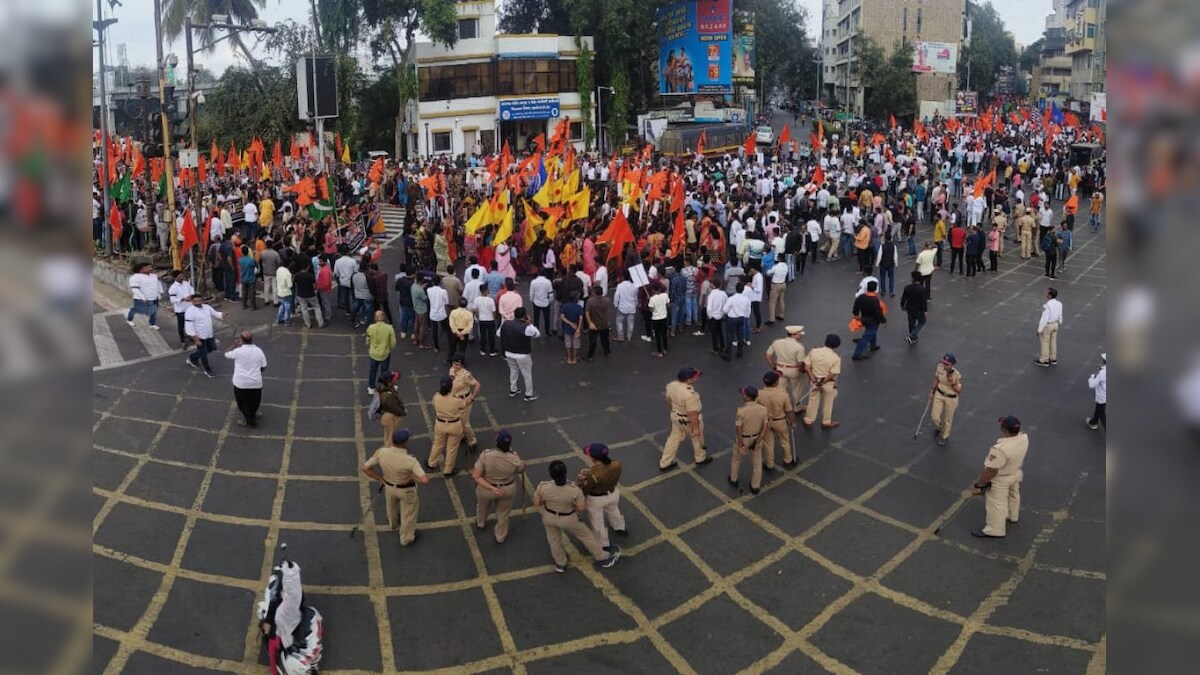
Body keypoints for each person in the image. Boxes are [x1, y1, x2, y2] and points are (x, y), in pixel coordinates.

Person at [533, 460, 621, 573]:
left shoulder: (542, 486)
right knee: (586, 536)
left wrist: (544, 512)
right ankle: (602, 557)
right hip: (568, 518)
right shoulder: (574, 489)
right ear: (565, 473)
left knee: (554, 540)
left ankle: (560, 563)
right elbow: (581, 507)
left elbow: (537, 503)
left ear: (551, 474)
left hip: (549, 516)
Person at [361, 429, 430, 547]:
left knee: (391, 506)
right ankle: (406, 538)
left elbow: (365, 468)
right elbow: (424, 479)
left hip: (388, 486)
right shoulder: (410, 460)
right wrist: (412, 477)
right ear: (405, 443)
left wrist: (379, 479)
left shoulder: (382, 452)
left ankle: (392, 524)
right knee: (408, 514)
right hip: (406, 489)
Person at [970, 416, 1029, 539]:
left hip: (1002, 478)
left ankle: (995, 530)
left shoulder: (1000, 449)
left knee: (997, 503)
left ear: (1003, 429)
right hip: (1016, 472)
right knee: (1014, 494)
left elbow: (991, 470)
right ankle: (1013, 515)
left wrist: (979, 485)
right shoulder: (1024, 438)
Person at [472, 429, 526, 543]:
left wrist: (492, 488)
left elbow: (476, 476)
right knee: (504, 513)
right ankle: (500, 536)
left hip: (487, 488)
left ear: (496, 442)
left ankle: (480, 523)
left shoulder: (486, 455)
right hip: (507, 488)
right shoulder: (514, 457)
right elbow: (520, 470)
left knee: (482, 507)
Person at [659, 367, 713, 470]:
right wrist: (696, 429)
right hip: (688, 420)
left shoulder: (672, 385)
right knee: (697, 438)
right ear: (689, 379)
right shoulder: (689, 395)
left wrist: (676, 409)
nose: (696, 378)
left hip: (676, 416)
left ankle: (665, 462)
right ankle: (700, 458)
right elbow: (692, 414)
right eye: (695, 376)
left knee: (673, 438)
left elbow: (668, 399)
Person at [576, 443, 627, 552]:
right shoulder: (617, 464)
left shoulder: (592, 475)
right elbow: (605, 469)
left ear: (593, 459)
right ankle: (620, 528)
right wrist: (590, 471)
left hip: (596, 500)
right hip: (613, 494)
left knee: (597, 522)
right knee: (614, 512)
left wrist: (581, 479)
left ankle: (603, 544)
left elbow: (586, 488)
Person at [729, 385, 769, 494]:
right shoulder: (763, 409)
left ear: (747, 397)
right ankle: (755, 486)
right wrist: (758, 441)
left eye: (744, 394)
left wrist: (741, 444)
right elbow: (765, 427)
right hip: (756, 437)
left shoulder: (741, 411)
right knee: (757, 463)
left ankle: (734, 479)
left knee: (736, 459)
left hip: (744, 438)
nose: (742, 395)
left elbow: (739, 429)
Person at [224, 331, 267, 428]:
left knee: (243, 403)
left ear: (241, 340)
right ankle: (253, 414)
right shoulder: (259, 351)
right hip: (255, 382)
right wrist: (256, 373)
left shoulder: (238, 352)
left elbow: (226, 354)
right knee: (255, 401)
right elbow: (264, 366)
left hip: (240, 383)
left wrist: (234, 345)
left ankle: (249, 421)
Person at [428, 375, 467, 477]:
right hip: (454, 425)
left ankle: (432, 463)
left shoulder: (436, 397)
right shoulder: (456, 400)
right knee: (452, 448)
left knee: (437, 444)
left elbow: (434, 405)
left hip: (440, 424)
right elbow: (463, 406)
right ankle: (448, 469)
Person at [802, 333, 842, 429]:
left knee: (813, 400)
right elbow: (833, 373)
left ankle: (809, 419)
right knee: (829, 401)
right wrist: (822, 382)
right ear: (836, 346)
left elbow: (807, 367)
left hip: (814, 380)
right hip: (828, 383)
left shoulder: (814, 351)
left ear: (825, 342)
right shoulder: (836, 358)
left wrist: (813, 379)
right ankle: (826, 421)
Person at [500, 307, 540, 401]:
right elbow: (537, 334)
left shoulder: (506, 324)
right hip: (522, 354)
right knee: (527, 374)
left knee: (513, 371)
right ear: (525, 316)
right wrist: (530, 323)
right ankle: (528, 394)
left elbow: (499, 334)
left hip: (509, 352)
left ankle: (513, 389)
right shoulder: (526, 327)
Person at [758, 371, 796, 469]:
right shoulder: (783, 394)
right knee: (784, 441)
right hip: (780, 420)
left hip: (766, 421)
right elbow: (789, 411)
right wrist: (792, 422)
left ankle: (769, 464)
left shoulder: (759, 394)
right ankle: (788, 460)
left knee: (768, 443)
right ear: (776, 383)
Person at [765, 325, 807, 409]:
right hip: (793, 370)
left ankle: (779, 406)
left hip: (780, 369)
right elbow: (800, 363)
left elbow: (768, 356)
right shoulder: (799, 347)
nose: (800, 336)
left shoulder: (777, 342)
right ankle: (797, 407)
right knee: (796, 390)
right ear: (794, 335)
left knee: (780, 389)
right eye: (799, 334)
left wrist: (774, 367)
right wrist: (804, 371)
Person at [184, 294, 223, 377]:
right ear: (192, 302)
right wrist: (196, 339)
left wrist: (222, 315)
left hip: (209, 334)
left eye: (199, 301)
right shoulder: (190, 311)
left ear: (202, 300)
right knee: (203, 354)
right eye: (195, 301)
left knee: (211, 348)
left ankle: (192, 357)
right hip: (199, 336)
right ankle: (207, 370)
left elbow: (215, 313)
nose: (198, 303)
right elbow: (189, 327)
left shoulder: (207, 307)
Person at [448, 355, 481, 452]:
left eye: (458, 364)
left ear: (462, 364)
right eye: (454, 363)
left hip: (464, 400)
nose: (456, 366)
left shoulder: (466, 375)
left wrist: (472, 398)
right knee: (457, 419)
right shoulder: (451, 370)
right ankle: (462, 435)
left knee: (464, 422)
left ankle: (472, 441)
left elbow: (477, 385)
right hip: (454, 399)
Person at [929, 353, 963, 446]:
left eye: (947, 364)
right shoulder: (940, 367)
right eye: (944, 363)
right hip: (939, 394)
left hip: (951, 398)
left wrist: (952, 383)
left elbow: (959, 390)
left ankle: (944, 436)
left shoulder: (957, 375)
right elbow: (936, 379)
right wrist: (932, 391)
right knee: (935, 416)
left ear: (952, 364)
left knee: (948, 419)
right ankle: (940, 427)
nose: (944, 365)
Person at [850, 281, 887, 361]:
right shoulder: (875, 300)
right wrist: (883, 320)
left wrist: (856, 314)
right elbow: (878, 312)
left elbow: (856, 307)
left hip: (864, 318)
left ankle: (873, 345)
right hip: (873, 320)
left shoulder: (861, 297)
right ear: (875, 289)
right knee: (867, 336)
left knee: (872, 332)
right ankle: (857, 354)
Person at [365, 310, 396, 395]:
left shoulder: (371, 327)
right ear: (384, 317)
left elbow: (367, 340)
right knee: (384, 371)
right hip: (384, 353)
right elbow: (393, 344)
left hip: (373, 353)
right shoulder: (389, 328)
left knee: (372, 370)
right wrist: (389, 348)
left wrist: (370, 346)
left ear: (375, 318)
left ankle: (371, 387)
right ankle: (384, 387)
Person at [126, 262, 161, 329]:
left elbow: (157, 285)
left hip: (154, 297)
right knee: (136, 309)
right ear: (140, 269)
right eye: (147, 267)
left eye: (150, 267)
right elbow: (135, 289)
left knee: (154, 310)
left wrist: (159, 294)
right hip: (141, 298)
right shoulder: (135, 277)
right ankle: (129, 320)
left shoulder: (154, 276)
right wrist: (143, 297)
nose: (150, 268)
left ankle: (152, 324)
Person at [376, 371, 407, 446]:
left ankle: (388, 447)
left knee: (387, 433)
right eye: (394, 379)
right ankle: (388, 450)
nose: (396, 380)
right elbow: (395, 409)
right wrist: (403, 412)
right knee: (391, 435)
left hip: (386, 415)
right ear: (389, 382)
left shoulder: (384, 387)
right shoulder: (388, 396)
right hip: (391, 417)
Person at [1034, 287, 1063, 367]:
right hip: (1056, 324)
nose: (1046, 294)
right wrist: (1060, 323)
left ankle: (1044, 360)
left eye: (1047, 293)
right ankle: (1053, 358)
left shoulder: (1047, 305)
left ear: (1050, 295)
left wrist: (1039, 330)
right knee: (1053, 342)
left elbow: (1044, 318)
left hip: (1048, 325)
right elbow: (1060, 315)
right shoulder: (1059, 304)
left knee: (1045, 342)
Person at [723, 282, 752, 361]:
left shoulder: (731, 299)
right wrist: (745, 316)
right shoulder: (746, 299)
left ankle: (728, 354)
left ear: (736, 289)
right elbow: (748, 310)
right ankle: (740, 351)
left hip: (732, 318)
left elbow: (725, 310)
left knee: (730, 336)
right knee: (740, 335)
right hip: (741, 318)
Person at [900, 271, 929, 344]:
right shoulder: (922, 289)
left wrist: (902, 305)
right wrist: (925, 310)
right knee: (922, 321)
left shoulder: (907, 287)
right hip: (918, 309)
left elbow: (904, 298)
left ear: (912, 279)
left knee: (911, 322)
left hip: (909, 307)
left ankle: (913, 337)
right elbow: (923, 301)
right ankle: (912, 335)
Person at [584, 286, 613, 360]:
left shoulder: (590, 301)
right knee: (605, 339)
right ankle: (607, 352)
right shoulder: (607, 300)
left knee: (593, 341)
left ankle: (590, 355)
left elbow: (587, 312)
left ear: (594, 293)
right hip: (604, 323)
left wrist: (590, 323)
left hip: (594, 323)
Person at [167, 269, 194, 347]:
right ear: (176, 278)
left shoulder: (186, 283)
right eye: (180, 276)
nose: (182, 277)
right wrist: (183, 299)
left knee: (190, 323)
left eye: (182, 275)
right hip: (180, 310)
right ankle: (183, 341)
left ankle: (190, 336)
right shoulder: (173, 288)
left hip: (189, 307)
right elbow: (172, 300)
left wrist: (191, 296)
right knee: (181, 326)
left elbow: (191, 290)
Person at [294, 263, 323, 328]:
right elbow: (314, 286)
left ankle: (308, 324)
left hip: (301, 294)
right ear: (307, 267)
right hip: (311, 294)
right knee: (317, 307)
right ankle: (320, 323)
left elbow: (295, 284)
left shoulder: (297, 275)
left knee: (304, 309)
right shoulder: (310, 276)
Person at [474, 282, 498, 356]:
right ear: (485, 290)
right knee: (491, 336)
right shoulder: (490, 300)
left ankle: (483, 349)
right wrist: (494, 319)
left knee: (483, 335)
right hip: (490, 320)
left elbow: (476, 310)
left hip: (482, 320)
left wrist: (478, 318)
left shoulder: (477, 299)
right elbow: (493, 311)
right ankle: (492, 350)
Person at [560, 290, 584, 365]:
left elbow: (562, 317)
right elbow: (580, 319)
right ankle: (575, 358)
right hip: (576, 327)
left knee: (568, 343)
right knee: (576, 343)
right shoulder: (579, 307)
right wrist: (578, 329)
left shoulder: (565, 306)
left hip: (567, 327)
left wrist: (570, 323)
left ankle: (569, 357)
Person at [705, 277, 728, 355]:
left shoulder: (711, 295)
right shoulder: (723, 294)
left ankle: (715, 349)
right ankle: (722, 346)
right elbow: (726, 304)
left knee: (714, 333)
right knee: (720, 331)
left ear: (713, 286)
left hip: (713, 316)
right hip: (720, 315)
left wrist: (709, 316)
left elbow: (709, 308)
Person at [613, 273, 638, 342]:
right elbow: (635, 297)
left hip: (622, 307)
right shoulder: (635, 286)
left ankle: (620, 337)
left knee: (619, 321)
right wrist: (636, 304)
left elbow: (616, 296)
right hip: (632, 307)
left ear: (623, 277)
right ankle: (629, 337)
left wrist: (615, 304)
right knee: (631, 322)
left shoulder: (620, 286)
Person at [648, 283, 670, 358]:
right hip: (664, 317)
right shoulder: (665, 295)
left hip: (656, 319)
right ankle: (665, 349)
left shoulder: (652, 299)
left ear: (653, 290)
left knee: (657, 335)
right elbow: (668, 305)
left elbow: (651, 310)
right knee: (664, 334)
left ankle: (659, 351)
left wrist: (650, 301)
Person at [1086, 353, 1107, 430]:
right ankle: (1093, 422)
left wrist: (1092, 377)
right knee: (1098, 409)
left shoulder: (1102, 373)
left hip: (1102, 395)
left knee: (1102, 414)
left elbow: (1092, 384)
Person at [766, 255, 789, 323]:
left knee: (772, 302)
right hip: (783, 284)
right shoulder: (786, 266)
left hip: (776, 285)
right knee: (781, 300)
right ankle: (782, 314)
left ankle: (771, 319)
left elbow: (769, 273)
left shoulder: (776, 266)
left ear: (779, 258)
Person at [530, 270, 554, 335]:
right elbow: (551, 294)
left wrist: (532, 300)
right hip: (546, 302)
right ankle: (547, 332)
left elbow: (531, 294)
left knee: (536, 318)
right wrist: (550, 301)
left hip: (536, 301)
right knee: (546, 318)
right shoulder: (548, 282)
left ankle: (536, 332)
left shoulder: (533, 282)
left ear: (538, 273)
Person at [238, 245, 259, 309]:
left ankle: (244, 305)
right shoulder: (251, 260)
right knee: (252, 293)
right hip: (251, 278)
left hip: (243, 278)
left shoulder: (240, 260)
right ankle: (253, 306)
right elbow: (256, 266)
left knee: (244, 292)